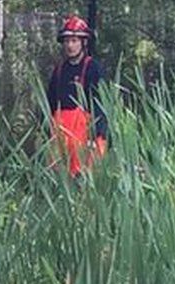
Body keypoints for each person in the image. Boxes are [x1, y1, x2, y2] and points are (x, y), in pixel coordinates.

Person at [47, 15, 108, 178]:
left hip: (86, 132)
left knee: (87, 178)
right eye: (67, 41)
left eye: (74, 41)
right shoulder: (58, 71)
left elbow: (100, 103)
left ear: (83, 42)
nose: (70, 45)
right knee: (59, 178)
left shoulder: (93, 69)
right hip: (61, 133)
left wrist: (96, 135)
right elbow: (50, 104)